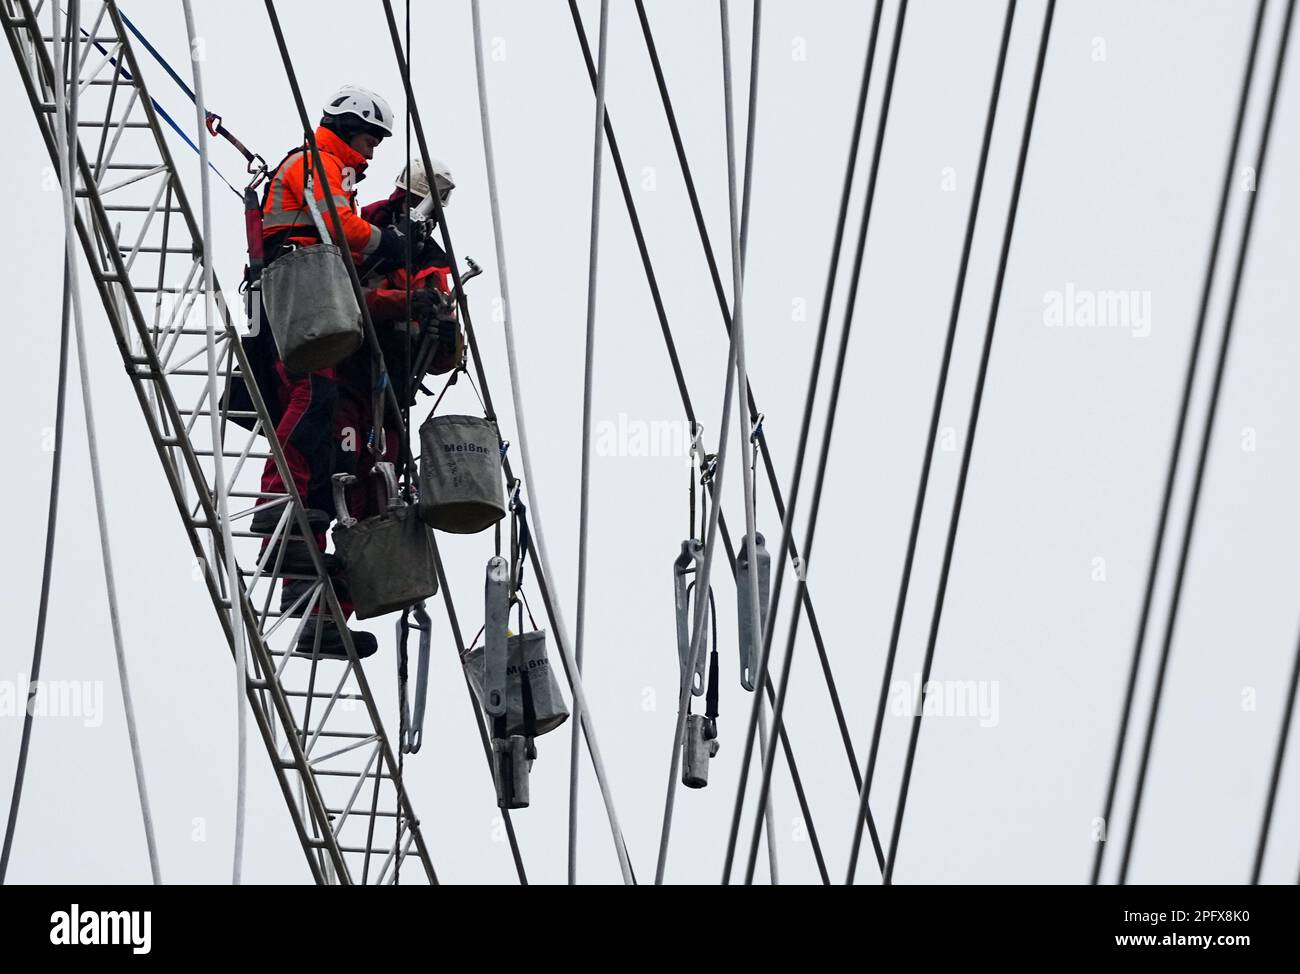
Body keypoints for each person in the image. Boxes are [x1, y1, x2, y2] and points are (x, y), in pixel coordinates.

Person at [251, 84, 416, 658]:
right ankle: (278, 513)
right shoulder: (321, 162)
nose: (371, 154)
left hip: (310, 301)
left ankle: (317, 613)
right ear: (350, 127)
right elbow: (336, 226)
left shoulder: (328, 164)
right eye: (369, 138)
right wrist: (389, 243)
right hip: (301, 300)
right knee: (313, 403)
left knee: (332, 470)